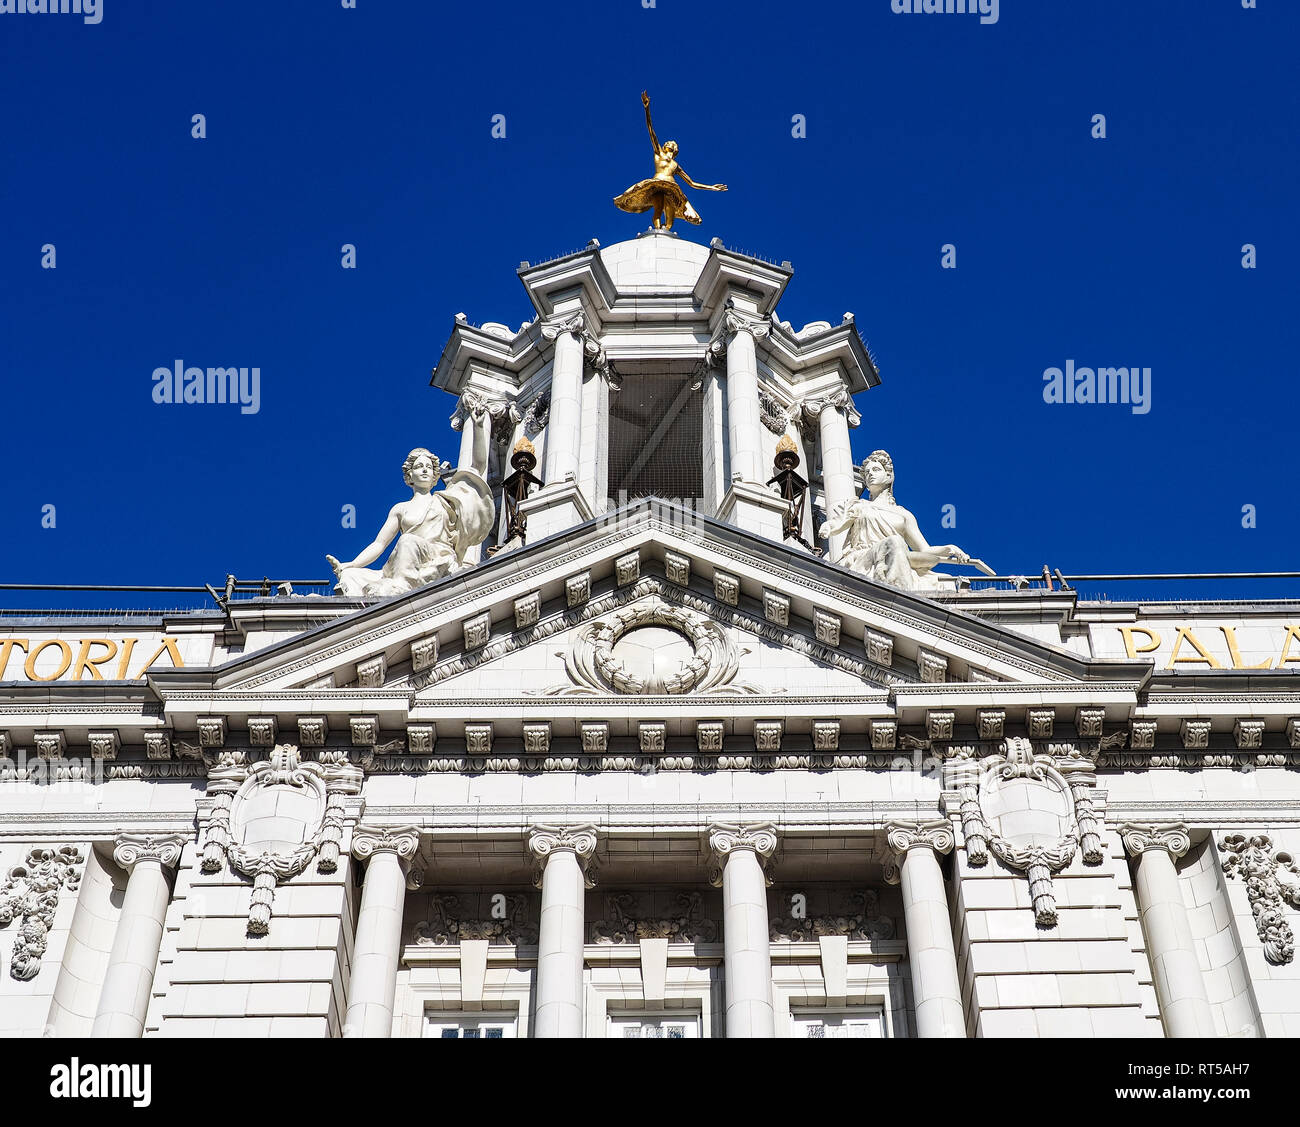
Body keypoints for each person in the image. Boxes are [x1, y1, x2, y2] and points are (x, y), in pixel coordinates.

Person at [326, 404, 495, 597]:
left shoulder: (445, 501)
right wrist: (351, 564)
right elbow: (379, 544)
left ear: (434, 476)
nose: (424, 470)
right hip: (405, 561)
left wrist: (480, 427)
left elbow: (478, 466)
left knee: (407, 541)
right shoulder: (400, 509)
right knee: (353, 577)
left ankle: (399, 586)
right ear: (409, 476)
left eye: (428, 467)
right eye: (418, 466)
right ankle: (395, 584)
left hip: (437, 557)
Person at [823, 449, 972, 591]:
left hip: (896, 560)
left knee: (944, 581)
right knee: (894, 542)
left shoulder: (904, 515)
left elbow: (924, 550)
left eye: (875, 470)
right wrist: (828, 527)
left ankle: (900, 602)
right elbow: (839, 523)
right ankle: (899, 600)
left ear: (889, 476)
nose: (870, 474)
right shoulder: (859, 506)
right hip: (864, 561)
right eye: (867, 472)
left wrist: (950, 548)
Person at [613, 91, 727, 230]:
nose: (671, 144)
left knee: (670, 219)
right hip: (657, 185)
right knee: (658, 208)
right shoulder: (659, 154)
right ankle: (657, 229)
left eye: (673, 144)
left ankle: (665, 230)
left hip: (672, 188)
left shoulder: (676, 165)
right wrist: (647, 109)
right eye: (669, 143)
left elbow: (691, 183)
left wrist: (712, 187)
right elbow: (651, 131)